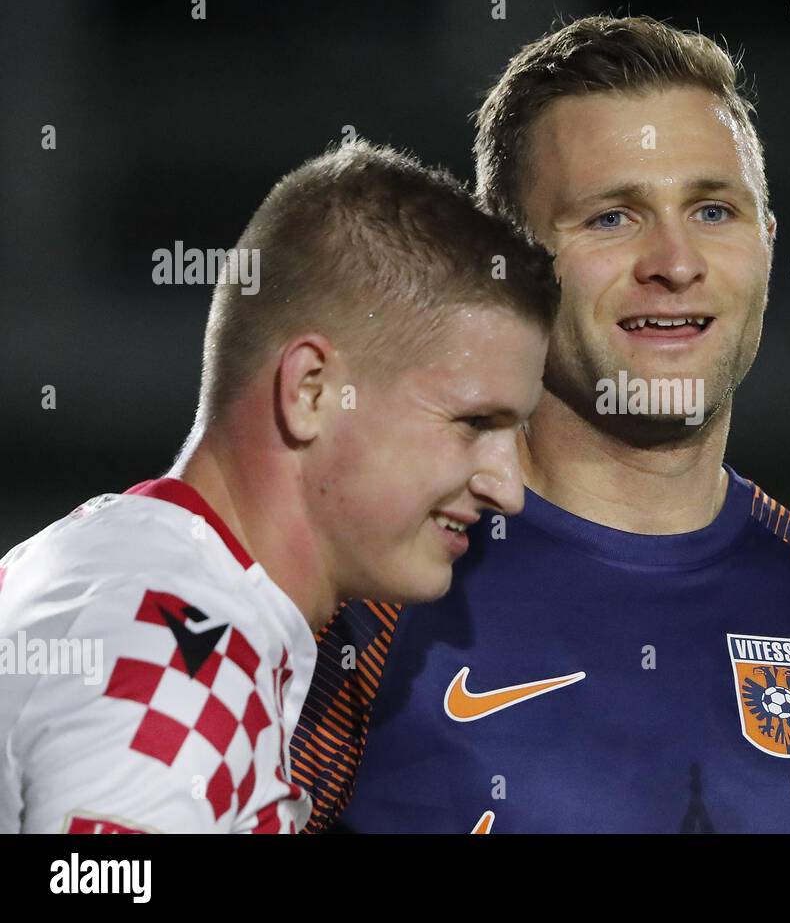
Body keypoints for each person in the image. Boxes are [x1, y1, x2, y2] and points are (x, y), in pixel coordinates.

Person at [293, 17, 790, 834]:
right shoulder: (351, 592)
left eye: (713, 211)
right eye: (612, 218)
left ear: (767, 248)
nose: (675, 262)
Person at [0, 141, 558, 833]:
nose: (507, 487)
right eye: (475, 422)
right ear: (310, 391)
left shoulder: (124, 581)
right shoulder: (177, 655)